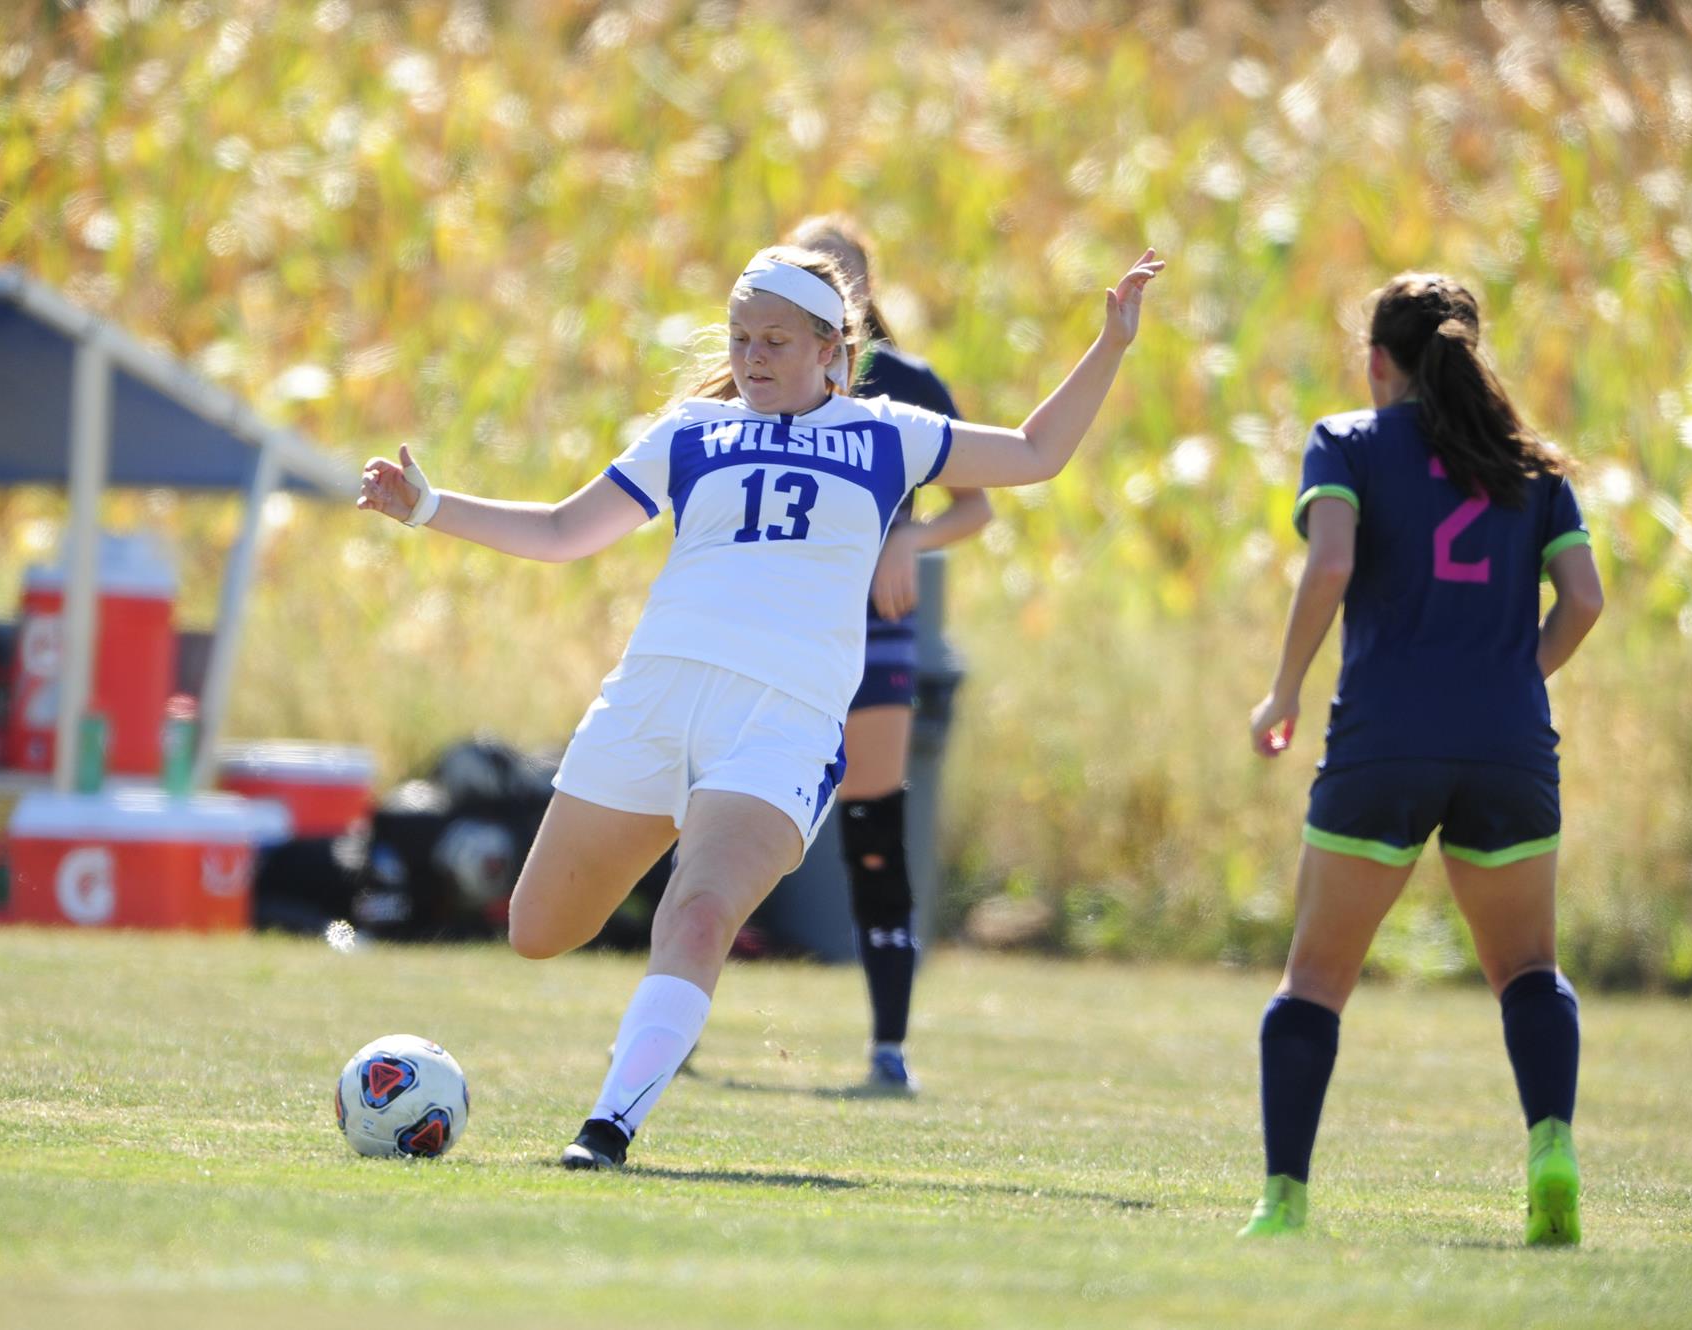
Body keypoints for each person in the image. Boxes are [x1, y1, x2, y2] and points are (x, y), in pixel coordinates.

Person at [359, 243, 1164, 1169]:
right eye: (742, 338)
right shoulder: (688, 432)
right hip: (652, 702)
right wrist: (428, 507)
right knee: (538, 930)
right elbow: (562, 530)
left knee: (699, 917)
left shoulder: (884, 432)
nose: (753, 357)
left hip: (779, 724)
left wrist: (1110, 343)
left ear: (834, 349)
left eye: (777, 340)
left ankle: (607, 1128)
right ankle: (679, 842)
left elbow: (1035, 452)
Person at [1240, 273, 1603, 1243]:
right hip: (1507, 743)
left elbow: (1327, 564)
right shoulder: (1530, 463)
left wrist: (1281, 693)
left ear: (1375, 361)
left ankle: (1282, 1200)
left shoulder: (1347, 443)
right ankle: (1551, 1151)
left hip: (1381, 740)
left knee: (1313, 981)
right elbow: (1584, 600)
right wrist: (1509, 676)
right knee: (1526, 967)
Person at [785, 213, 991, 1094]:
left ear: (862, 292)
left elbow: (976, 506)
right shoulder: (762, 375)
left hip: (874, 637)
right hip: (779, 634)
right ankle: (669, 1029)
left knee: (872, 834)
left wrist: (911, 539)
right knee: (717, 817)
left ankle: (888, 1049)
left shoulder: (904, 384)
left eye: (838, 273)